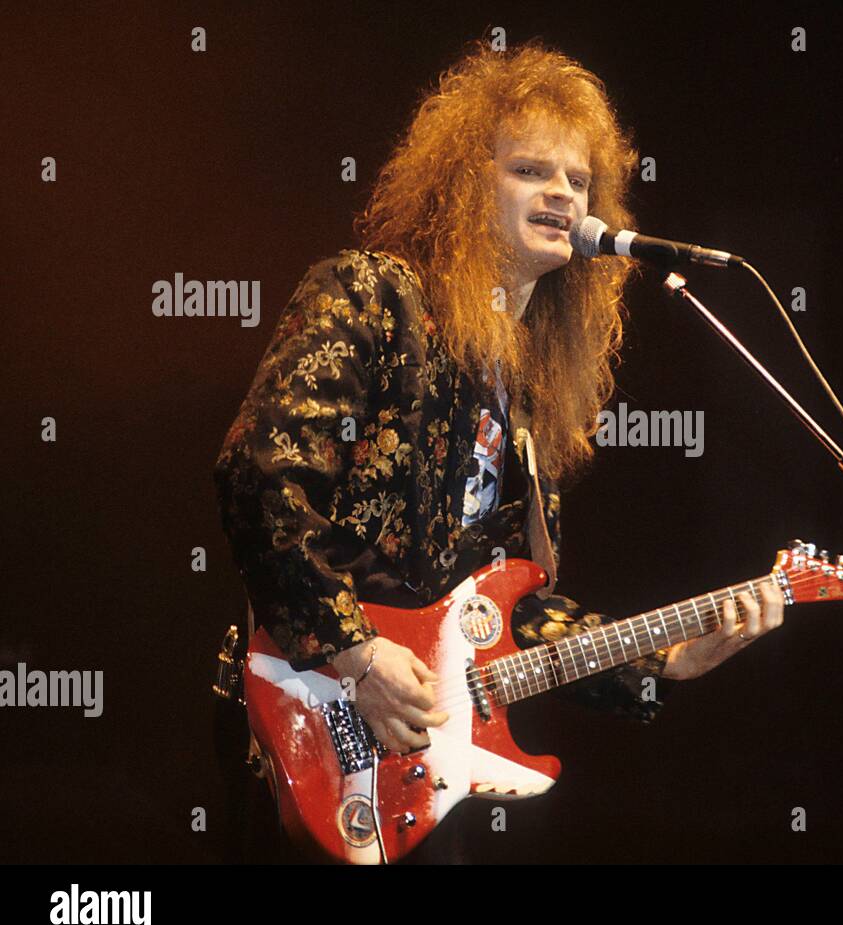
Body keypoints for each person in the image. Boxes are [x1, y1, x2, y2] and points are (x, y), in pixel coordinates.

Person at [213, 38, 784, 858]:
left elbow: (506, 614)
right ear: (462, 186)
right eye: (531, 171)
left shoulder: (531, 389)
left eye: (579, 181)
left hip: (422, 760)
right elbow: (260, 478)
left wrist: (670, 656)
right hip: (303, 709)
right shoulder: (374, 296)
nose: (563, 193)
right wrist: (357, 655)